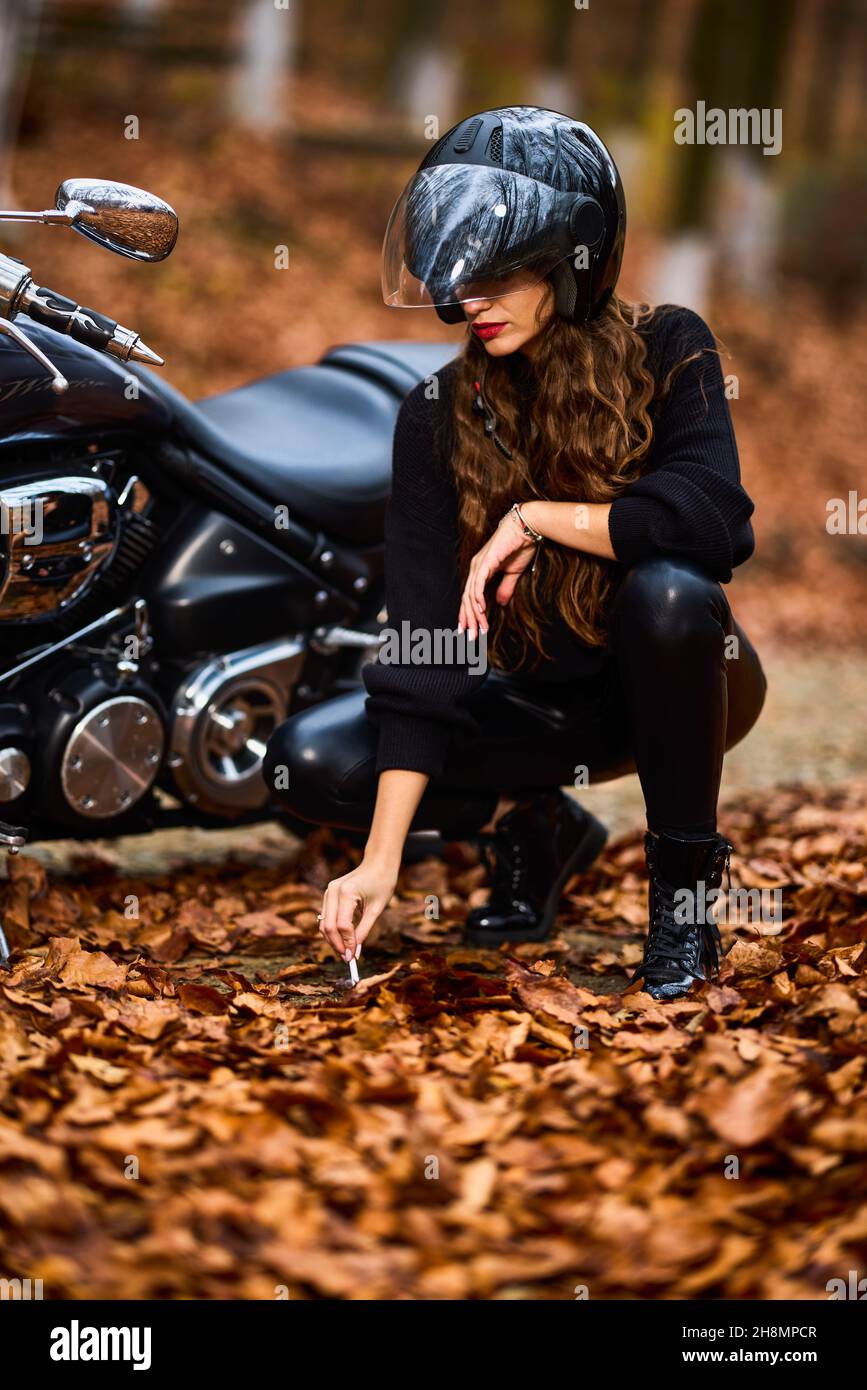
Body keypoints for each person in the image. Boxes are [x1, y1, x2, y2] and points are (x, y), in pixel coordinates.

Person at [264, 105, 767, 1001]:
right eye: (457, 274)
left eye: (499, 274)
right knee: (310, 762)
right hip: (533, 702)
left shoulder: (669, 347)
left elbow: (709, 524)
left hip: (678, 679)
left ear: (575, 259)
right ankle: (538, 827)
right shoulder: (432, 414)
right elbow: (425, 641)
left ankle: (683, 908)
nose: (466, 301)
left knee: (668, 594)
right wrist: (381, 862)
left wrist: (536, 517)